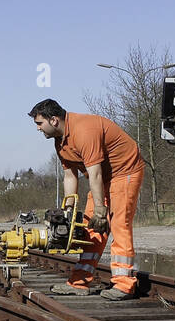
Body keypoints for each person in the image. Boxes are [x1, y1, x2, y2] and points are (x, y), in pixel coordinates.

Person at [29, 98, 144, 300]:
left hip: (125, 171)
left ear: (54, 120)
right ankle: (79, 282)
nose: (38, 129)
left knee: (118, 224)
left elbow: (95, 174)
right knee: (92, 229)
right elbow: (70, 176)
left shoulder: (84, 131)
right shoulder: (60, 141)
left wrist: (101, 210)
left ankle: (125, 285)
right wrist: (68, 211)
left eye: (40, 123)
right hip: (102, 178)